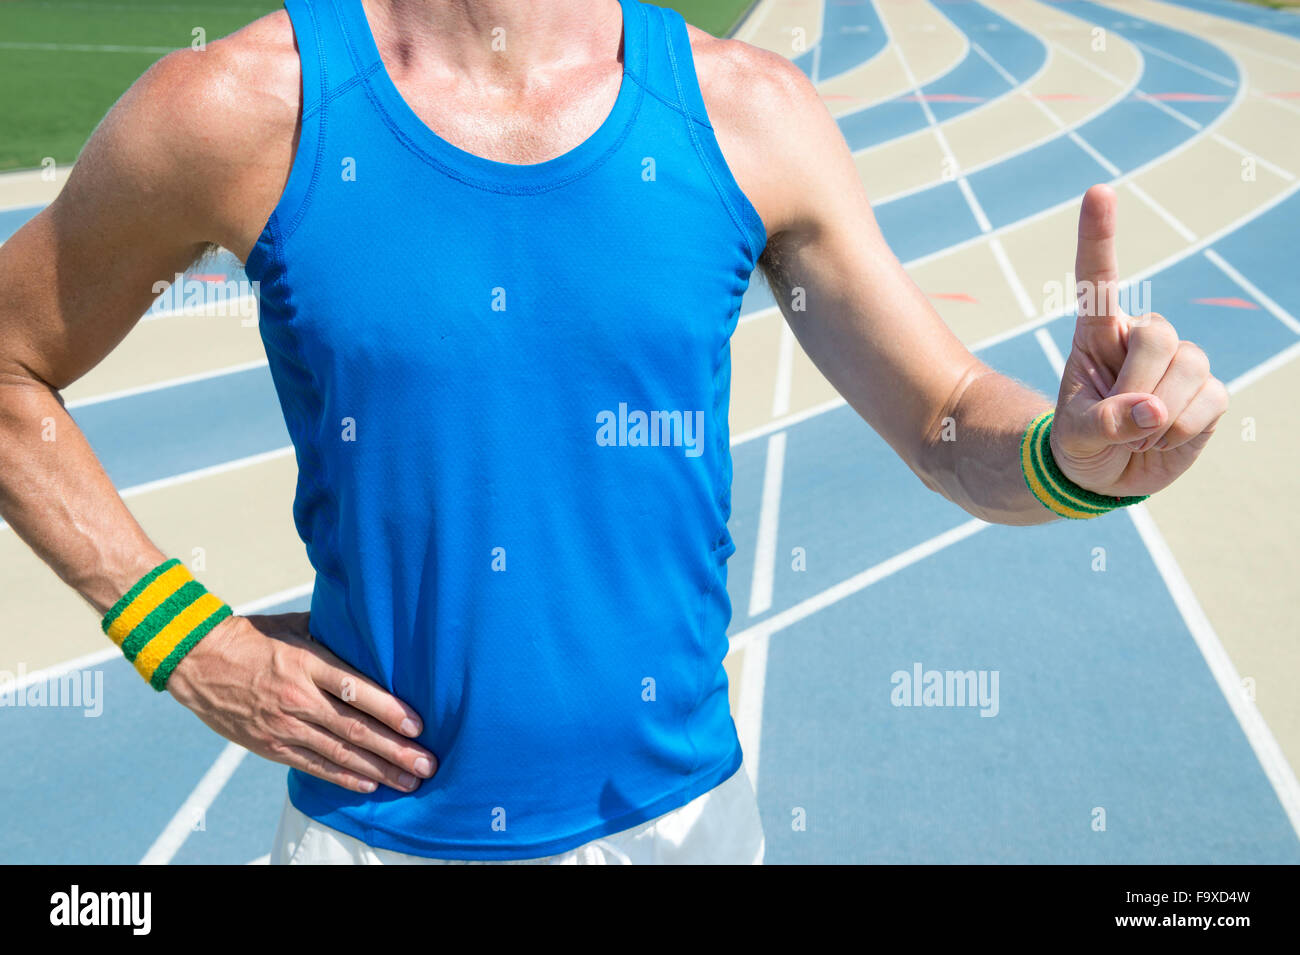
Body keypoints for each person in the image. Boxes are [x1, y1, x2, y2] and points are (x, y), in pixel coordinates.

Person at [0, 0, 1227, 864]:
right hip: (374, 837)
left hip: (683, 828)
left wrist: (1067, 457)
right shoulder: (242, 106)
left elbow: (946, 419)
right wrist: (180, 634)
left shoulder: (747, 112)